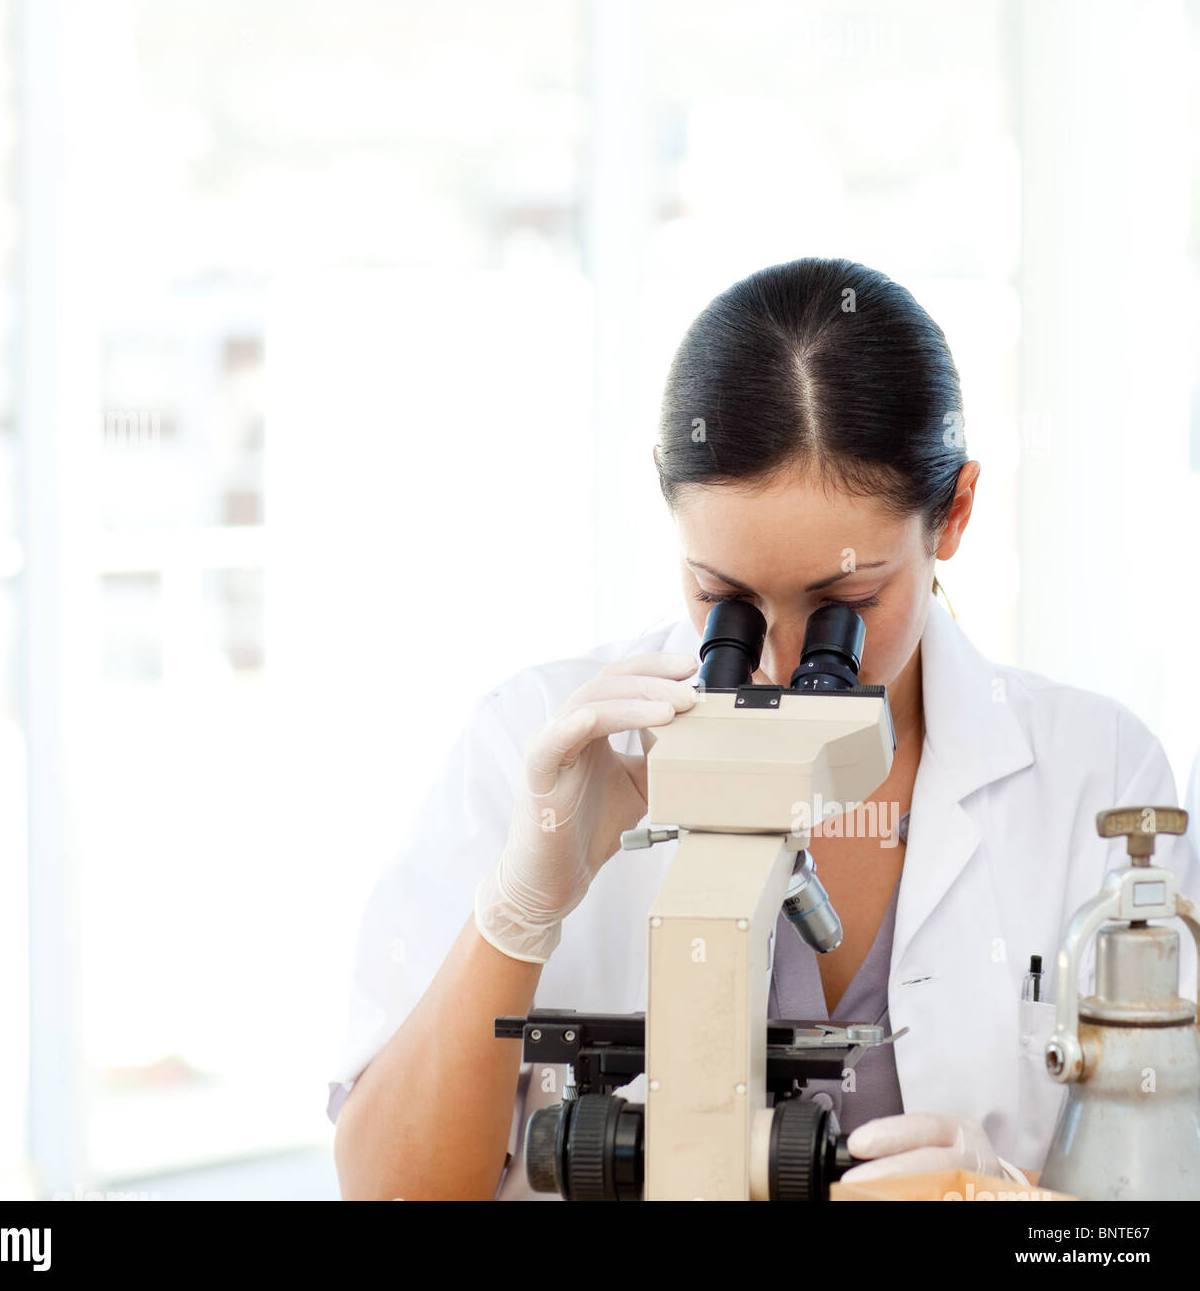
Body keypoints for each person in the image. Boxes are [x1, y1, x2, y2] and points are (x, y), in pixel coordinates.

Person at [329, 257, 1200, 1201]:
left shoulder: (1097, 776)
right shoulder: (532, 739)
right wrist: (518, 911)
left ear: (953, 515)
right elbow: (388, 1191)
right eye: (725, 601)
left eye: (845, 603)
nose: (783, 667)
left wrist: (1019, 1201)